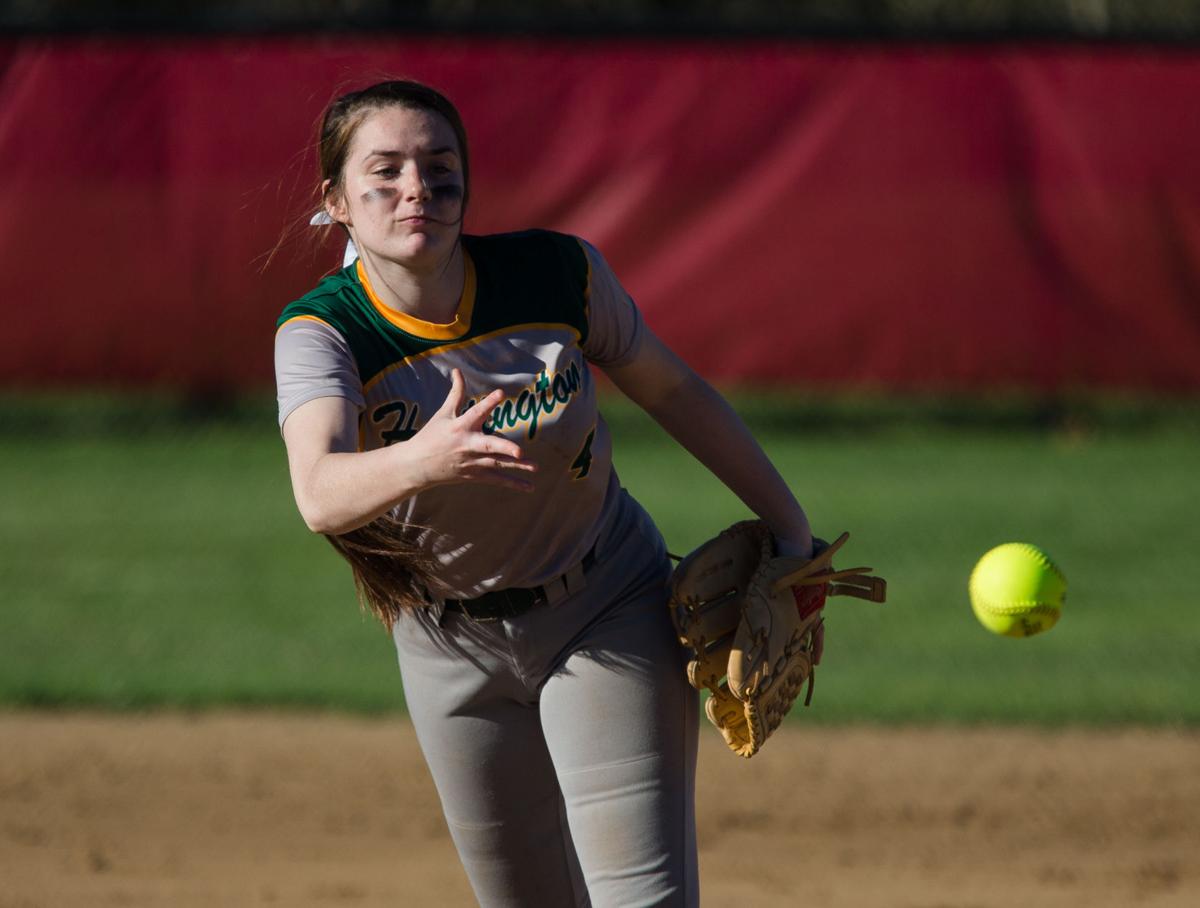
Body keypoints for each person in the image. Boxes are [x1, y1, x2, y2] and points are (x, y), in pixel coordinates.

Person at [274, 79, 814, 908]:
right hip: (445, 644)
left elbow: (672, 391)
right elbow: (318, 492)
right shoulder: (324, 333)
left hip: (605, 606)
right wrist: (425, 459)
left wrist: (791, 530)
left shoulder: (556, 275)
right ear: (336, 200)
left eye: (438, 167)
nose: (415, 188)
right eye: (384, 171)